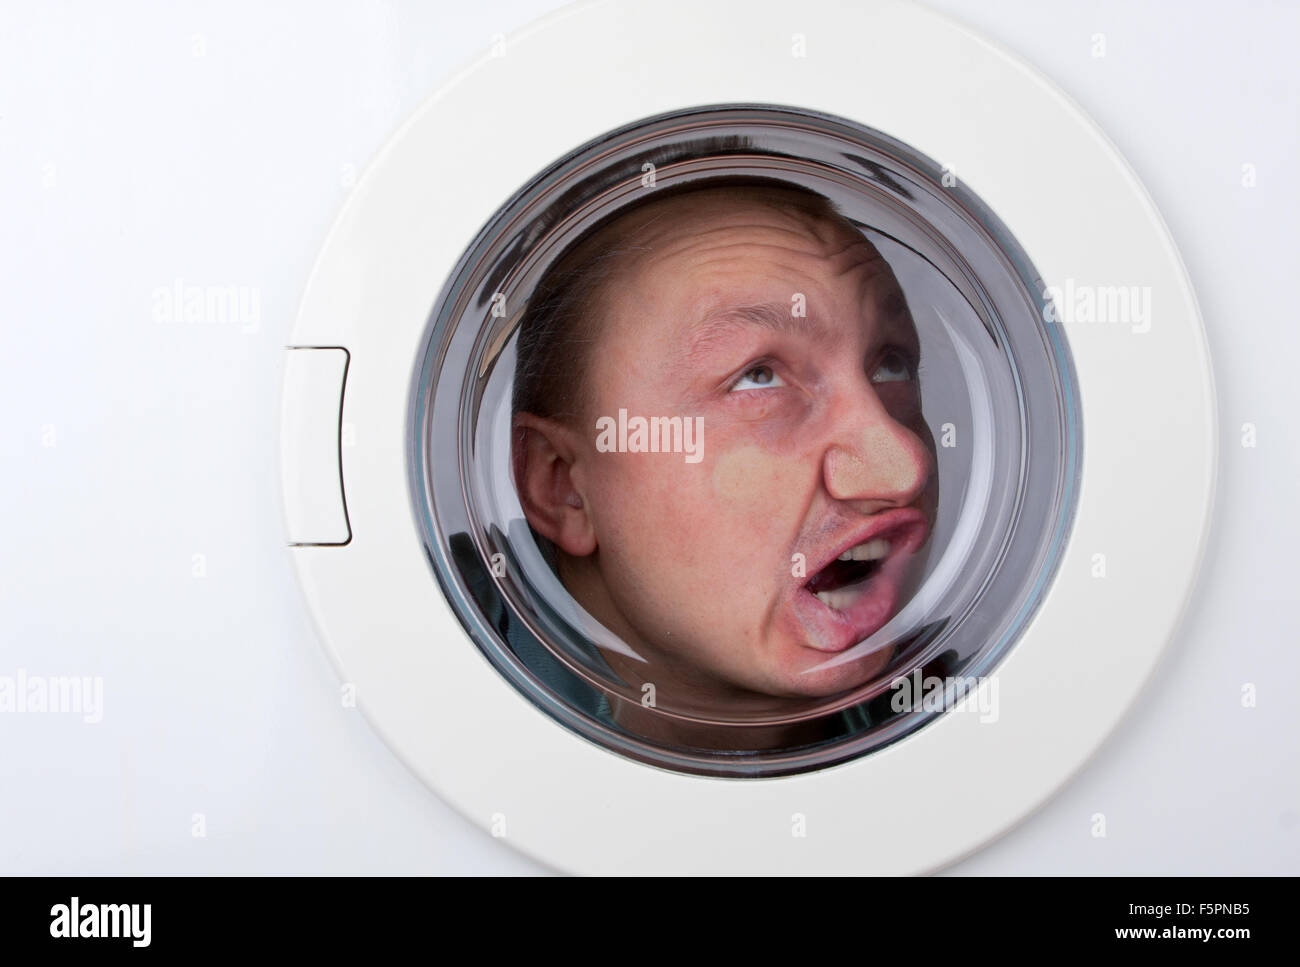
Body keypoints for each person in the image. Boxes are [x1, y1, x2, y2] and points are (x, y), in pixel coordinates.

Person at [510, 176, 938, 750]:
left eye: (891, 366)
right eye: (758, 376)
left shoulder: (968, 729)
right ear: (562, 485)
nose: (902, 468)